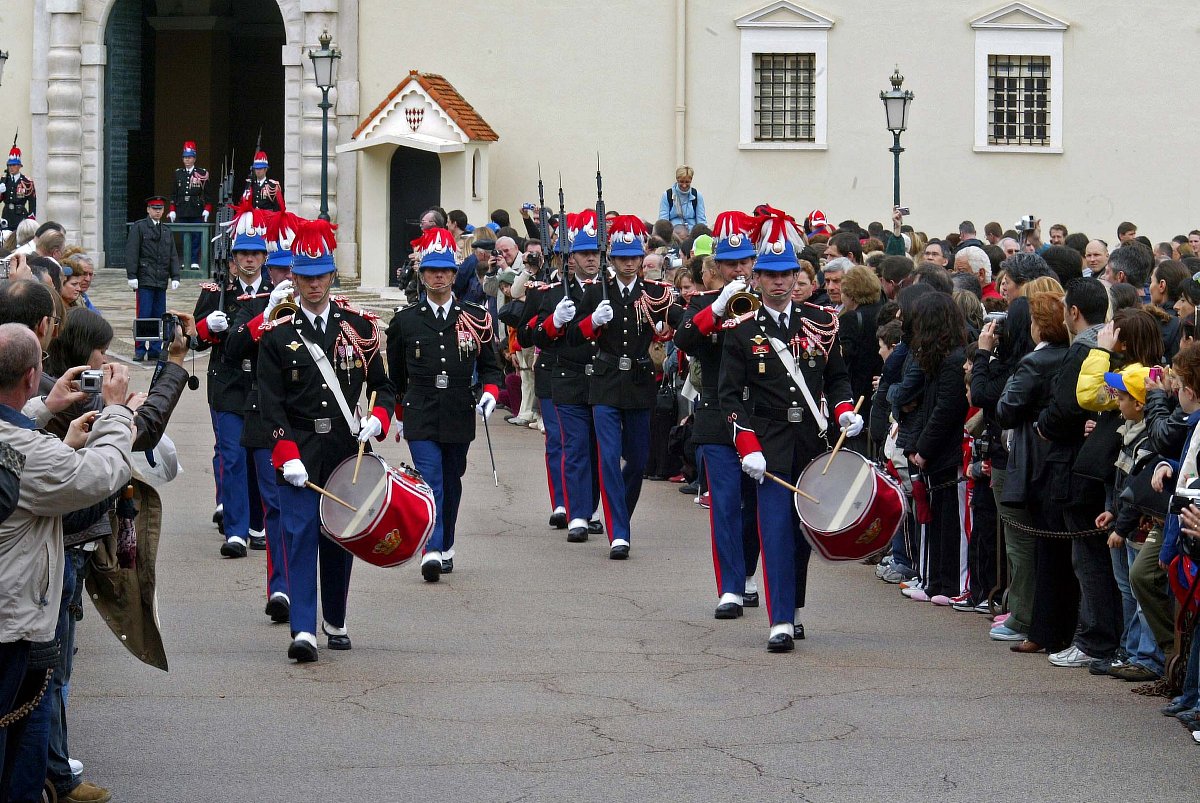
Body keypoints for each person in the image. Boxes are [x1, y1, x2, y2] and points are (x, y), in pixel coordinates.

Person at [0, 324, 135, 799]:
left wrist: (44, 407)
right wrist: (117, 412)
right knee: (16, 749)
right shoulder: (26, 452)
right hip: (12, 623)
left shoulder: (19, 442)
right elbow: (103, 474)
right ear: (30, 375)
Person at [718, 208, 861, 652]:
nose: (779, 283)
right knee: (775, 530)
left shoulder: (821, 321)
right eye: (771, 275)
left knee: (802, 536)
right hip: (769, 443)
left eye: (786, 274)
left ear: (797, 276)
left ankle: (794, 608)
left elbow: (837, 378)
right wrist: (747, 445)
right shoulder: (741, 330)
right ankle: (779, 620)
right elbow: (729, 396)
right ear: (757, 278)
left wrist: (843, 412)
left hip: (812, 442)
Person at [257, 219, 394, 662]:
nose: (313, 284)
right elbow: (270, 403)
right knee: (298, 536)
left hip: (343, 448)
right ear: (293, 278)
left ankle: (335, 619)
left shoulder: (359, 327)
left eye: (320, 276)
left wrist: (377, 419)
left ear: (332, 276)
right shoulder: (277, 334)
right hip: (297, 448)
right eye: (305, 276)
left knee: (339, 537)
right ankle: (303, 630)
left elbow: (384, 386)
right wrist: (285, 453)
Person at [387, 226, 501, 582]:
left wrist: (490, 392)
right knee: (430, 478)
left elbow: (491, 366)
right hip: (420, 408)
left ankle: (445, 542)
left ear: (454, 275)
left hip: (457, 408)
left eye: (445, 271)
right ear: (422, 276)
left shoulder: (474, 317)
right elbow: (396, 377)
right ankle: (431, 549)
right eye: (432, 271)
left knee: (451, 480)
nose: (438, 276)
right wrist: (398, 414)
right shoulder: (405, 321)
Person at [567, 215, 678, 560]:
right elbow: (572, 336)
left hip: (640, 383)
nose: (628, 264)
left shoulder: (655, 294)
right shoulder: (597, 292)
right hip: (605, 381)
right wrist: (592, 321)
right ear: (612, 260)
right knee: (609, 456)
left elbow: (681, 323)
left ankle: (620, 515)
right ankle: (619, 532)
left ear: (641, 259)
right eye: (622, 258)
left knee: (638, 458)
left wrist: (671, 327)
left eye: (634, 258)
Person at [674, 210, 762, 618]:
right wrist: (719, 308)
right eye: (730, 264)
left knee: (754, 505)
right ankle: (729, 587)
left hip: (759, 415)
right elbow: (684, 339)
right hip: (715, 415)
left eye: (744, 262)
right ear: (718, 267)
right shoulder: (704, 303)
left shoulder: (768, 303)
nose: (739, 270)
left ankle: (747, 573)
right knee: (725, 504)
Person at [224, 210, 304, 623]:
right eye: (281, 269)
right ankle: (281, 587)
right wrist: (267, 314)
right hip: (265, 413)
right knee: (274, 504)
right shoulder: (255, 303)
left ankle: (304, 585)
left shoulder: (333, 311)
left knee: (303, 510)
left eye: (293, 270)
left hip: (309, 416)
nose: (287, 277)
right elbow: (233, 348)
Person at [193, 203, 274, 557]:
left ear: (264, 257)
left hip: (262, 384)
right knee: (233, 456)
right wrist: (207, 326)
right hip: (227, 383)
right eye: (243, 253)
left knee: (260, 460)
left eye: (255, 253)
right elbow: (194, 339)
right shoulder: (216, 291)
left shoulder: (275, 292)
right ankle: (236, 531)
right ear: (234, 257)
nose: (249, 259)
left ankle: (257, 524)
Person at [533, 211, 606, 542]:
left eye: (595, 253)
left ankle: (589, 507)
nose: (590, 259)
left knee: (597, 449)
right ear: (572, 257)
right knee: (573, 446)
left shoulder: (609, 290)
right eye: (584, 253)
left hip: (602, 379)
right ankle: (577, 512)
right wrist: (555, 321)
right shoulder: (553, 293)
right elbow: (536, 335)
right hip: (567, 376)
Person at [126, 195, 181, 362]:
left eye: (160, 209)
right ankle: (140, 349)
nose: (158, 212)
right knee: (144, 316)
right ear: (148, 209)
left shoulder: (166, 231)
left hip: (160, 279)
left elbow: (172, 255)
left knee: (159, 316)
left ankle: (155, 349)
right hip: (145, 279)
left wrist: (175, 275)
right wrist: (132, 275)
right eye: (154, 208)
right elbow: (132, 252)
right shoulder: (139, 227)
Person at [168, 140, 212, 270]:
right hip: (182, 208)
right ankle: (186, 260)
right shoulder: (178, 173)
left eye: (190, 157)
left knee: (196, 236)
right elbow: (174, 194)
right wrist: (172, 209)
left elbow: (208, 194)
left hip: (196, 208)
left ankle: (194, 261)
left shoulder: (202, 173)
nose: (187, 160)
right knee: (184, 236)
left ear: (194, 158)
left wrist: (207, 209)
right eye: (185, 157)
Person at [0, 145, 36, 233]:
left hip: (21, 215)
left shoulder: (26, 181)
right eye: (9, 165)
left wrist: (31, 218)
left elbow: (32, 201)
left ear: (19, 166)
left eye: (14, 165)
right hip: (7, 215)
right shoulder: (3, 180)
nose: (11, 167)